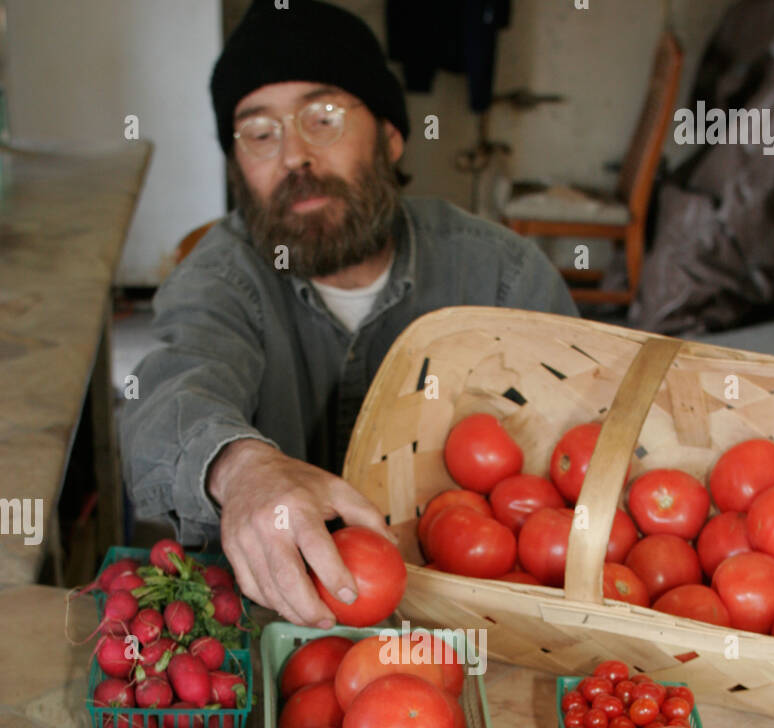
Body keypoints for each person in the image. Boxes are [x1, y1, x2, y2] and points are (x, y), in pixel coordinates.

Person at [121, 0, 578, 626]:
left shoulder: (502, 277)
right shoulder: (220, 279)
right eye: (260, 133)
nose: (294, 156)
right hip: (279, 624)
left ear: (391, 136)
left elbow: (585, 442)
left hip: (477, 625)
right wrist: (241, 467)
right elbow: (168, 392)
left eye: (324, 118)